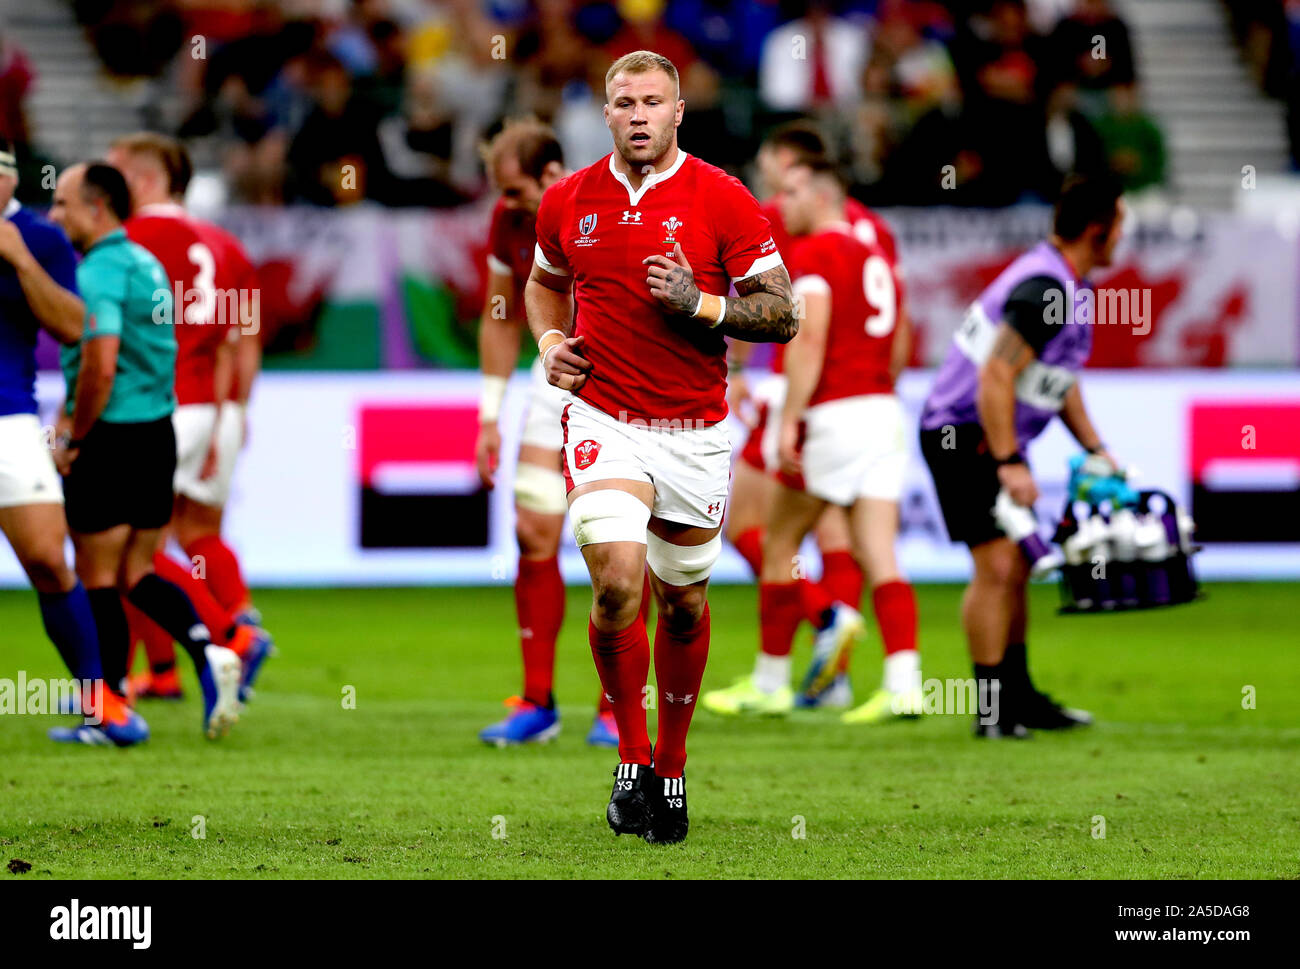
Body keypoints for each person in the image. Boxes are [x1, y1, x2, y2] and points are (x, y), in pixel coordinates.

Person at [525, 50, 796, 844]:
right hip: (604, 419)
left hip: (696, 433)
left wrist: (701, 303)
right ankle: (632, 757)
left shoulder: (725, 198)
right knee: (616, 585)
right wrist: (548, 342)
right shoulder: (568, 200)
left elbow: (783, 313)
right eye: (622, 102)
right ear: (603, 113)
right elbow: (543, 280)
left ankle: (672, 766)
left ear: (679, 112)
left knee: (682, 603)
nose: (637, 114)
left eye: (652, 102)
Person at [708, 156, 924, 724]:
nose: (783, 204)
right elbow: (900, 338)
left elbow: (808, 342)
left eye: (794, 192)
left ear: (824, 198)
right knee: (880, 551)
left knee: (776, 544)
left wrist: (790, 421)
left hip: (833, 416)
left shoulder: (815, 254)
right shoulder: (876, 255)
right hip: (882, 411)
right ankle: (904, 683)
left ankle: (770, 681)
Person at [919, 173, 1123, 737]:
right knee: (997, 565)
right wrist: (1009, 461)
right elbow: (995, 373)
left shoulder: (1062, 283)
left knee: (1018, 564)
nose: (1121, 237)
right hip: (963, 435)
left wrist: (1097, 450)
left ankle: (1019, 698)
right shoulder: (1045, 290)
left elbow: (1058, 380)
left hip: (988, 435)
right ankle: (992, 714)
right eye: (1119, 225)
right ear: (1097, 230)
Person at [47, 161, 244, 740]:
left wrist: (75, 436)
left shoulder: (102, 270)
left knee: (98, 577)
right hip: (157, 432)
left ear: (97, 207)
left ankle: (107, 712)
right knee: (138, 572)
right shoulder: (146, 262)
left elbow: (100, 363)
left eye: (62, 203)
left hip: (109, 435)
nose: (54, 215)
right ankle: (210, 648)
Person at [105, 132, 272, 704]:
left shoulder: (128, 240)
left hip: (161, 406)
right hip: (214, 404)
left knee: (126, 550)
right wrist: (237, 410)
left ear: (146, 180)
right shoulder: (224, 244)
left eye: (115, 175)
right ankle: (168, 668)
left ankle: (225, 637)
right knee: (195, 533)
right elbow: (242, 338)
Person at [472, 118, 622, 748]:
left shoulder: (604, 210)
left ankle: (617, 706)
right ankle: (538, 701)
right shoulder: (508, 224)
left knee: (613, 547)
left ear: (552, 176)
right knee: (533, 530)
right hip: (550, 374)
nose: (505, 204)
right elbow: (501, 316)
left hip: (619, 380)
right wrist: (488, 414)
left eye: (513, 190)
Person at [0, 139, 147, 746]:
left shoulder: (40, 239)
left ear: (10, 181)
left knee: (47, 562)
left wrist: (19, 262)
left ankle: (101, 705)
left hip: (8, 418)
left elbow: (70, 326)